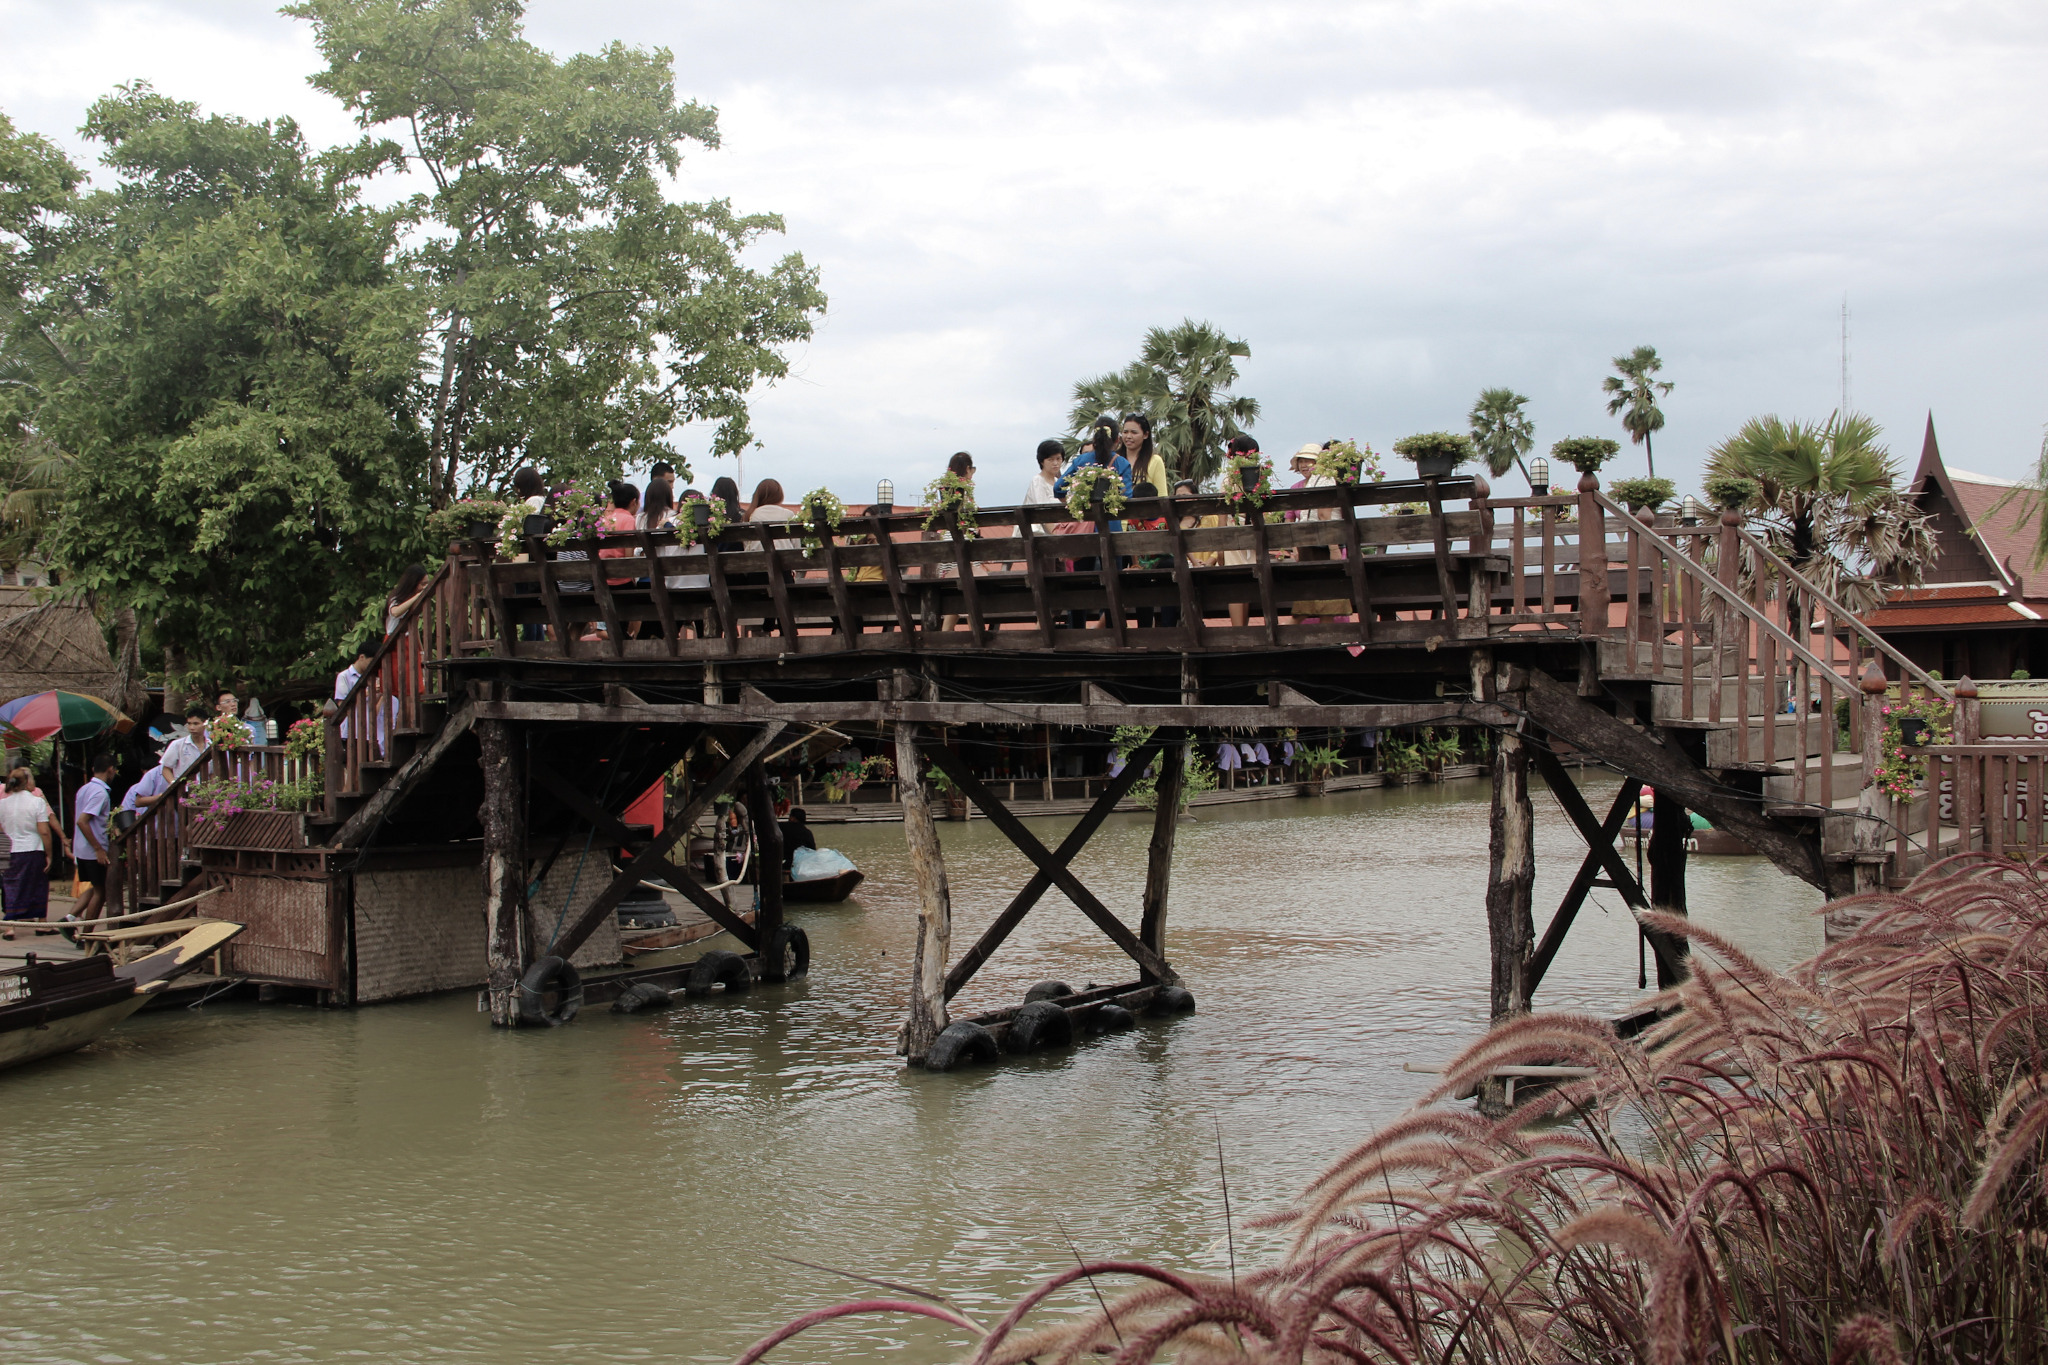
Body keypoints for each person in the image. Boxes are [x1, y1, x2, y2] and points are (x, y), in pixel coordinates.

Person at [0, 767, 55, 938]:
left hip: (10, 849)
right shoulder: (36, 801)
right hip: (33, 848)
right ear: (26, 782)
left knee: (11, 887)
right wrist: (49, 854)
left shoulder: (2, 804)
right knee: (38, 885)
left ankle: (11, 926)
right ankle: (42, 923)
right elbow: (44, 831)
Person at [68, 751, 118, 928]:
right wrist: (98, 848)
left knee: (96, 888)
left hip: (82, 848)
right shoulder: (99, 793)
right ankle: (88, 933)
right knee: (100, 892)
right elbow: (83, 821)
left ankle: (71, 919)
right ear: (110, 770)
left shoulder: (84, 788)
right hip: (92, 850)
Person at [1121, 413, 1169, 497]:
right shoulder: (1115, 459)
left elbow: (1162, 497)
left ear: (1145, 435)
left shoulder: (1155, 461)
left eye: (1134, 432)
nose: (1128, 436)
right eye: (1125, 432)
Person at [161, 704, 212, 779]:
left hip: (205, 788)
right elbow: (165, 768)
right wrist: (173, 784)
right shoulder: (177, 744)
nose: (191, 727)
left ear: (205, 724)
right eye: (189, 723)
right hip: (184, 788)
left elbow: (213, 772)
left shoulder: (211, 745)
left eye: (196, 724)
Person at [779, 806, 817, 871]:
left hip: (785, 863)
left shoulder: (782, 827)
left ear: (793, 818)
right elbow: (812, 850)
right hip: (802, 865)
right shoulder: (807, 832)